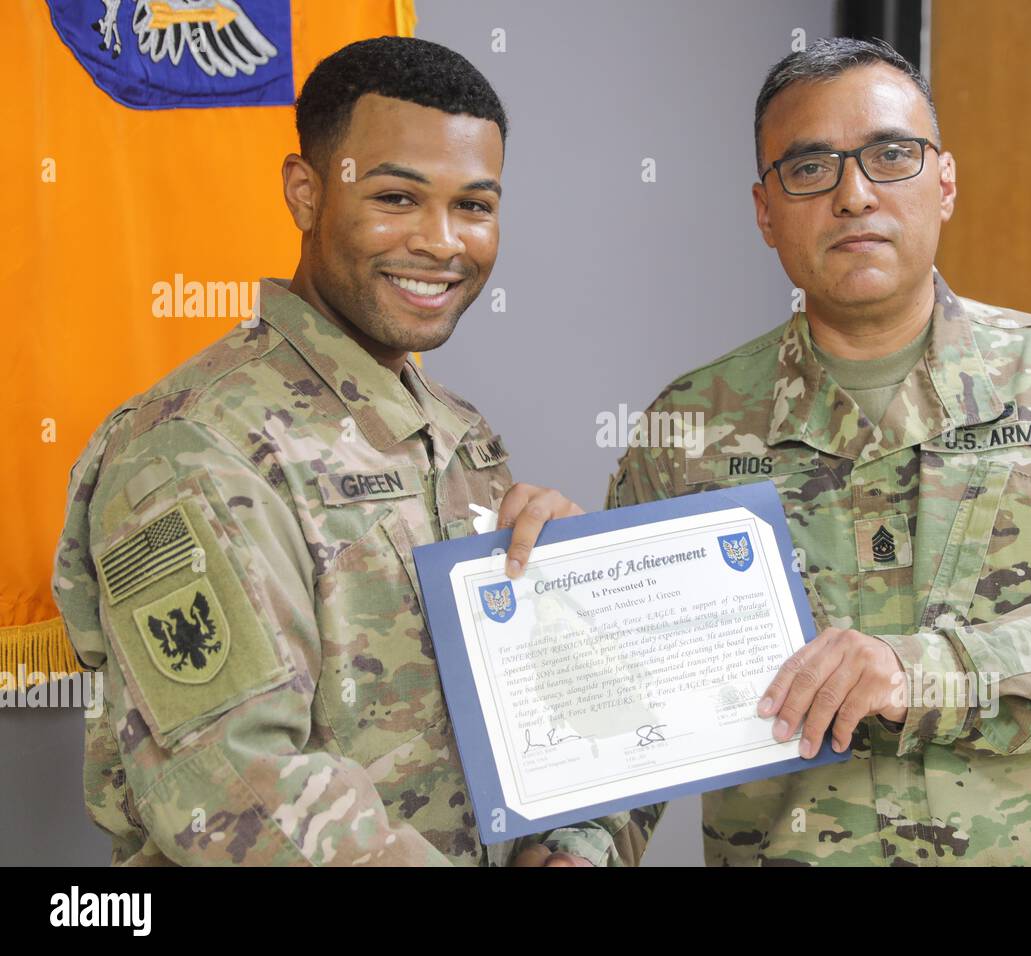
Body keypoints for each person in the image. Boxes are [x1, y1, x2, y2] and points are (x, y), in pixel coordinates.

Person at [607, 37, 1031, 865]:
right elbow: (628, 694)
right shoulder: (691, 426)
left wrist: (930, 669)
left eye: (891, 156)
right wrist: (576, 846)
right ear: (765, 211)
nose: (855, 194)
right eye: (811, 169)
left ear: (944, 182)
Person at [52, 36, 647, 867]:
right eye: (399, 197)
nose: (443, 242)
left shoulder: (460, 435)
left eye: (474, 206)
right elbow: (241, 796)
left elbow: (534, 728)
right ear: (305, 192)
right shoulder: (193, 446)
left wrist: (571, 840)